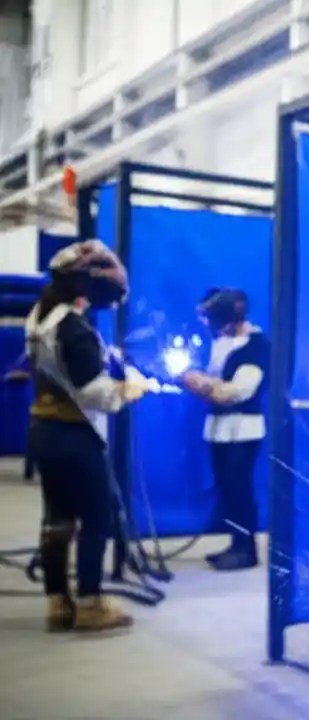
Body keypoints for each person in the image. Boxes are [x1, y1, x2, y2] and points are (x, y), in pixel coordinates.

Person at [24, 240, 145, 632]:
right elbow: (93, 391)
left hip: (44, 431)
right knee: (97, 517)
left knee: (57, 520)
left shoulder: (40, 317)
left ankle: (58, 601)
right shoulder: (73, 327)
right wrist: (128, 390)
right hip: (76, 435)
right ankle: (91, 604)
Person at [181, 288, 267, 571]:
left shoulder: (256, 345)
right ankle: (235, 543)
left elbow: (239, 390)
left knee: (239, 487)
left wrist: (203, 385)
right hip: (218, 427)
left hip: (243, 429)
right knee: (226, 487)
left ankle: (246, 549)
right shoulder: (222, 342)